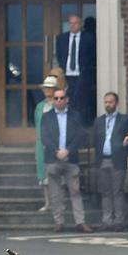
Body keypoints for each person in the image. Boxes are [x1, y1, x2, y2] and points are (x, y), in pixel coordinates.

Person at [39, 83, 89, 233]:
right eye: (56, 98)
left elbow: (81, 135)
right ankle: (58, 222)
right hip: (53, 159)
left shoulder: (75, 115)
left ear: (67, 99)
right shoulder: (47, 117)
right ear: (53, 100)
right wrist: (56, 151)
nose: (59, 100)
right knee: (55, 193)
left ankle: (80, 222)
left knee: (75, 191)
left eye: (62, 98)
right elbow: (44, 137)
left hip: (71, 158)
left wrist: (68, 150)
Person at [92, 91, 128, 229]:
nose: (108, 104)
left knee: (118, 191)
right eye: (106, 102)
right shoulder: (99, 120)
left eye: (111, 102)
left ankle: (119, 220)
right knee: (105, 192)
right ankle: (107, 220)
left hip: (118, 159)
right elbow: (95, 139)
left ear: (116, 103)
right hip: (102, 159)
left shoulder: (124, 119)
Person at [54, 13, 96, 127]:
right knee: (66, 102)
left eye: (76, 23)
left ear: (81, 24)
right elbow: (59, 56)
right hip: (66, 76)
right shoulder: (61, 38)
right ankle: (66, 127)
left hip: (82, 76)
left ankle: (81, 128)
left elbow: (93, 58)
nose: (73, 26)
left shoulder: (89, 38)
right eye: (71, 23)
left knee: (81, 104)